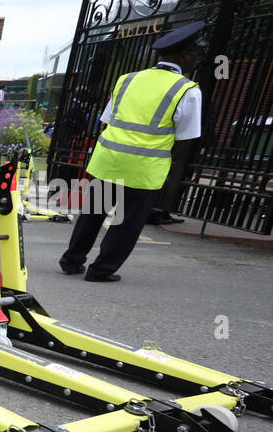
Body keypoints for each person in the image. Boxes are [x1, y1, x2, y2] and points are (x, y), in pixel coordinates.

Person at [58, 21, 206, 282]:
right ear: (183, 56)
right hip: (144, 168)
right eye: (196, 54)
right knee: (127, 222)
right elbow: (187, 136)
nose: (197, 59)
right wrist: (162, 154)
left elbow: (108, 119)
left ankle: (71, 261)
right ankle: (101, 270)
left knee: (92, 213)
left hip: (108, 160)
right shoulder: (187, 89)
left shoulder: (127, 79)